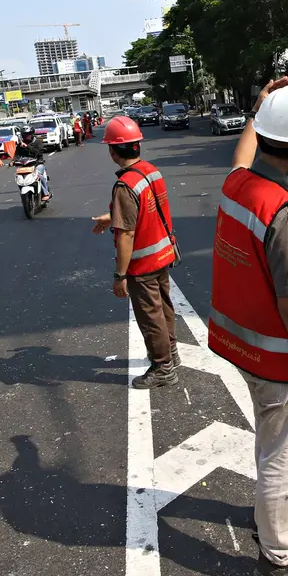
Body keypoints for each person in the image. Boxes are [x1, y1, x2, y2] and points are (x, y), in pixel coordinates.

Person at [209, 78, 288, 576]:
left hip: (247, 347)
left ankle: (279, 501)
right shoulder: (282, 212)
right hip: (282, 359)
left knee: (272, 436)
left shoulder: (239, 185)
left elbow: (244, 153)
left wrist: (258, 107)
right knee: (285, 450)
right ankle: (279, 558)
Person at [91, 116, 178, 389]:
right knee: (164, 309)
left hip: (144, 263)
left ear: (112, 151)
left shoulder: (124, 186)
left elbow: (126, 235)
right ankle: (171, 355)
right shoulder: (151, 171)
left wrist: (120, 275)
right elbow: (145, 210)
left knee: (150, 317)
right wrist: (112, 217)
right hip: (165, 253)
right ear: (137, 145)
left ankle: (163, 368)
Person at [14, 129, 52, 201]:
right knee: (19, 176)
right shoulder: (20, 144)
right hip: (25, 165)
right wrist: (13, 161)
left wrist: (27, 147)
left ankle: (46, 193)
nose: (26, 137)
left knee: (38, 175)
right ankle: (23, 195)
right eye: (25, 135)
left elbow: (39, 152)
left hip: (37, 163)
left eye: (28, 135)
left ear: (32, 135)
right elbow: (16, 155)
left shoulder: (38, 142)